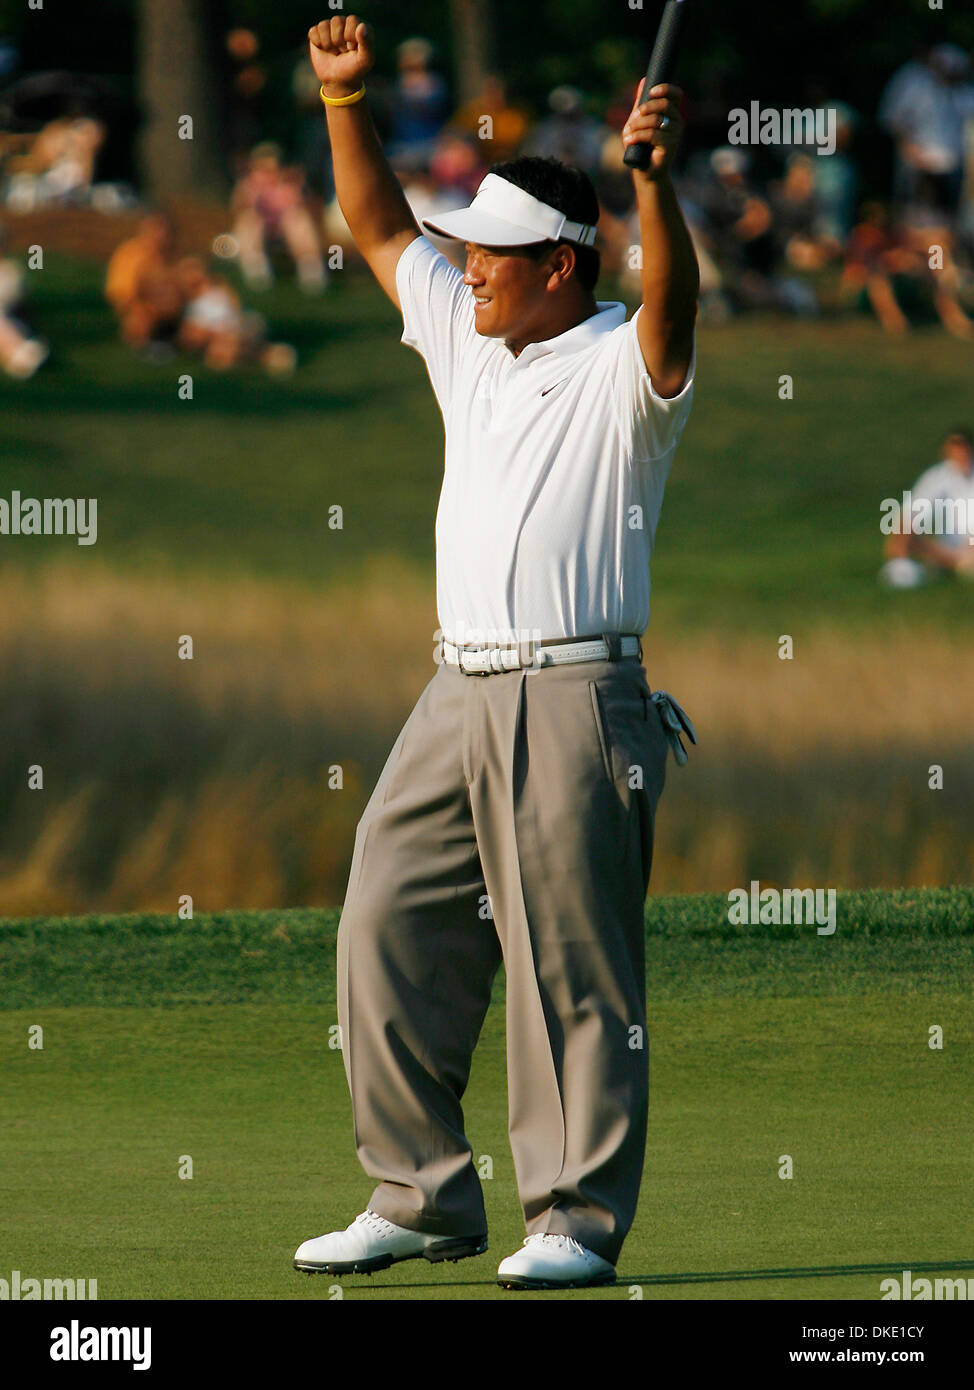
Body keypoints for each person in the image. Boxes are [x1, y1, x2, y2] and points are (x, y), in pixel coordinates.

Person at [293, 15, 698, 1292]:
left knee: (568, 968)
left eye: (493, 252)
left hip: (579, 695)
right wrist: (340, 97)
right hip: (452, 686)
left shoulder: (623, 362)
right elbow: (370, 224)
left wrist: (652, 183)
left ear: (564, 267)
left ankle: (572, 1219)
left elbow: (673, 305)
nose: (465, 264)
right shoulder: (469, 336)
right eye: (465, 246)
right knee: (383, 918)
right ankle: (418, 1192)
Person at [881, 429, 974, 587]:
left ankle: (955, 564)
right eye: (955, 448)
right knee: (905, 532)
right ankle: (905, 568)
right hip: (950, 547)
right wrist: (899, 546)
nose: (960, 453)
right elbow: (912, 511)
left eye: (963, 447)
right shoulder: (938, 477)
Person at [105, 212, 185, 356]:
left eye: (165, 231)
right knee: (138, 320)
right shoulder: (130, 254)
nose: (161, 235)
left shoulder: (174, 257)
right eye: (156, 229)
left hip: (175, 312)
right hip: (144, 310)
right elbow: (122, 295)